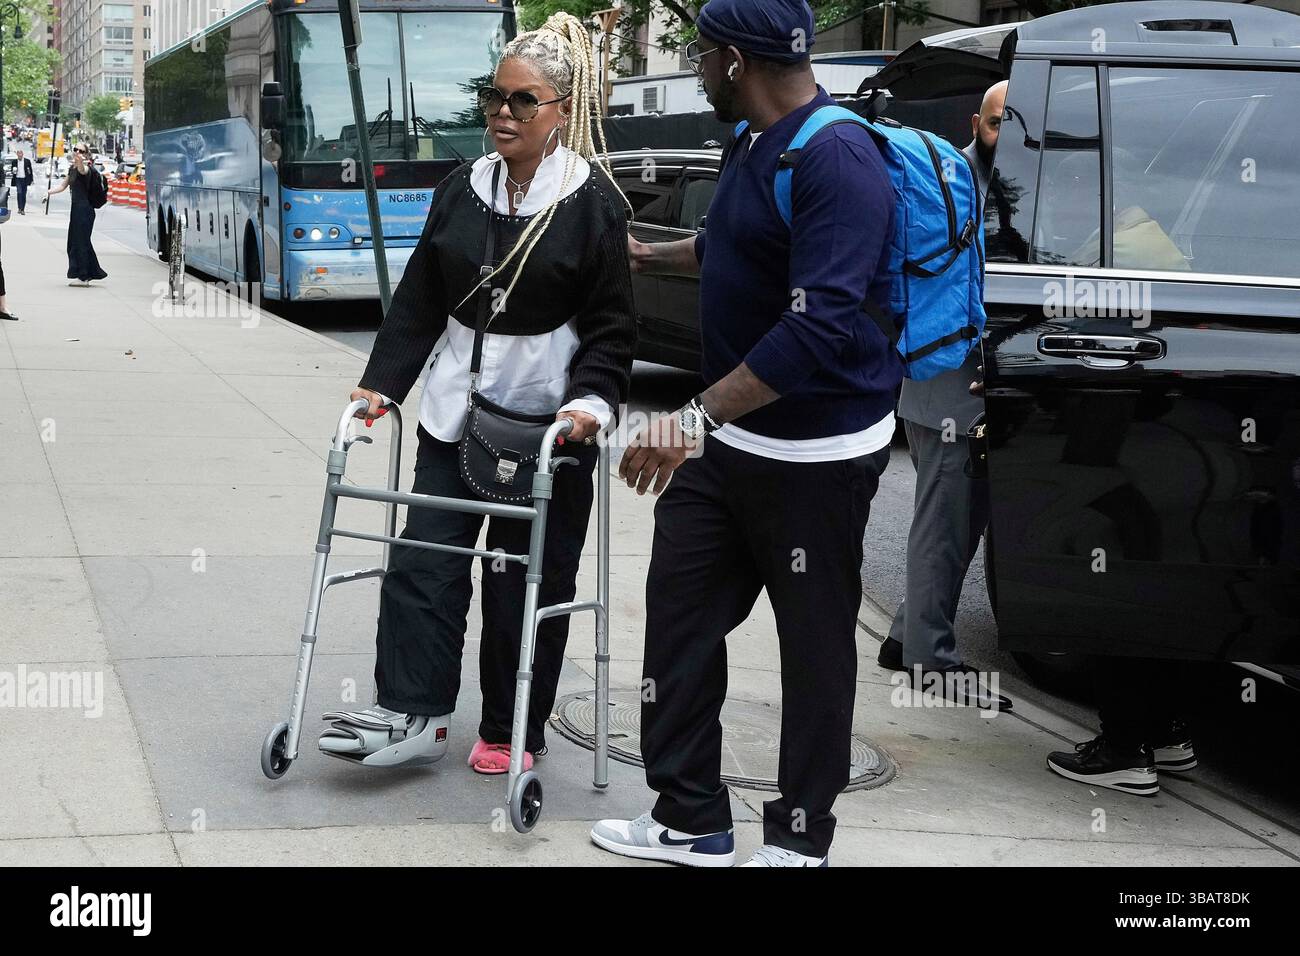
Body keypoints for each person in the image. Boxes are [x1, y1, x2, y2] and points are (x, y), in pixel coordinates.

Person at [591, 0, 898, 867]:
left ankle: (800, 842)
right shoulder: (755, 143)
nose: (693, 69)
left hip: (817, 459)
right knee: (680, 616)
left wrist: (688, 419)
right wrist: (656, 256)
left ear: (733, 61)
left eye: (697, 56)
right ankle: (691, 815)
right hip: (733, 449)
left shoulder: (838, 156)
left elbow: (816, 330)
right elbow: (737, 239)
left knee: (812, 652)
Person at [319, 12, 635, 774]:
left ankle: (511, 727)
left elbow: (613, 331)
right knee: (423, 560)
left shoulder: (594, 205)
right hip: (453, 416)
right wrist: (381, 388)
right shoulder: (462, 187)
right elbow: (422, 298)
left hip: (547, 432)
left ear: (562, 108)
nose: (502, 112)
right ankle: (412, 707)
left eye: (523, 100)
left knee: (520, 584)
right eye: (493, 97)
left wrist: (590, 405)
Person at [876, 81, 1012, 712]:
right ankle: (930, 661)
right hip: (948, 382)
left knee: (956, 518)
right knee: (947, 518)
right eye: (993, 122)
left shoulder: (996, 181)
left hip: (959, 382)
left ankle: (907, 633)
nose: (1002, 134)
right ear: (973, 121)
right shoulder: (954, 181)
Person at [46, 144, 108, 286]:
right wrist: (48, 193)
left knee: (81, 242)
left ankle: (84, 276)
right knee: (75, 242)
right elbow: (62, 186)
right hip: (76, 210)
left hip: (85, 210)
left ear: (86, 154)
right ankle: (90, 272)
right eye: (76, 149)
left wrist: (80, 161)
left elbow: (82, 169)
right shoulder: (72, 169)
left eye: (81, 151)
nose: (77, 152)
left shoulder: (85, 169)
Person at [12, 149, 33, 215]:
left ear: (22, 154)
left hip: (25, 179)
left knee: (24, 194)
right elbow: (12, 170)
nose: (20, 155)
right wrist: (13, 171)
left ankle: (22, 209)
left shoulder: (27, 161)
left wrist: (31, 180)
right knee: (19, 193)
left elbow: (30, 171)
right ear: (17, 155)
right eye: (18, 154)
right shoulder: (14, 161)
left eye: (21, 154)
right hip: (18, 179)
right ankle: (20, 208)